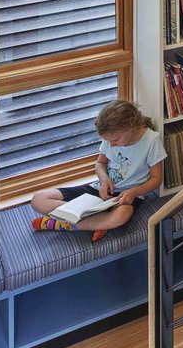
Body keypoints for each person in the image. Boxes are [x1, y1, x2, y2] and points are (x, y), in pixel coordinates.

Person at [28, 98, 166, 244]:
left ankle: (62, 223)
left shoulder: (151, 141)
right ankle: (98, 222)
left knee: (122, 215)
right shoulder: (110, 137)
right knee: (38, 199)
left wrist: (134, 192)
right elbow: (100, 163)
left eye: (116, 140)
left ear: (130, 127)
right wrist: (104, 179)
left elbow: (156, 179)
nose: (112, 145)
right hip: (101, 190)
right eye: (109, 141)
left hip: (127, 196)